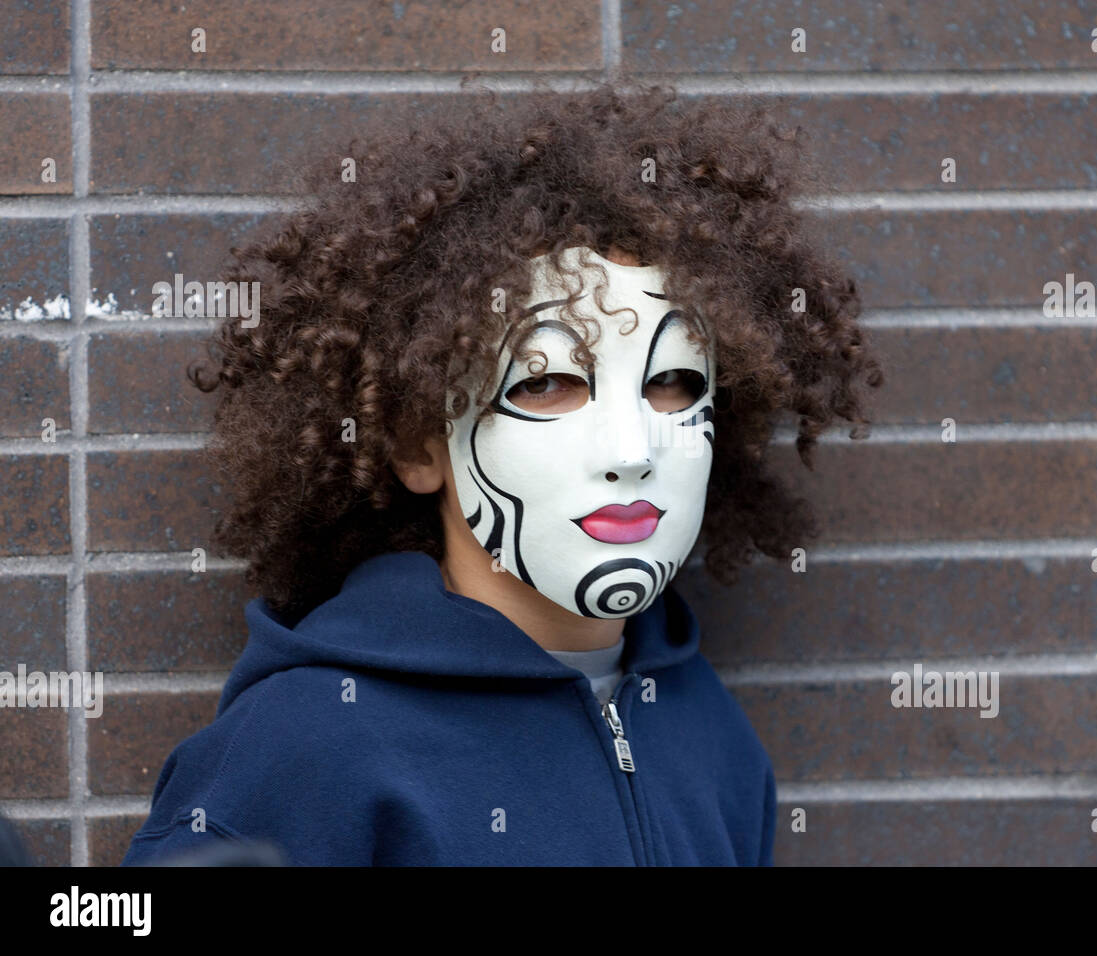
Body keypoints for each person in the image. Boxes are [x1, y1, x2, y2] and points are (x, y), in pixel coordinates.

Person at [121, 77, 883, 866]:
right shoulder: (302, 752)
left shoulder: (710, 735)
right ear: (420, 446)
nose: (632, 450)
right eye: (547, 384)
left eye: (673, 383)